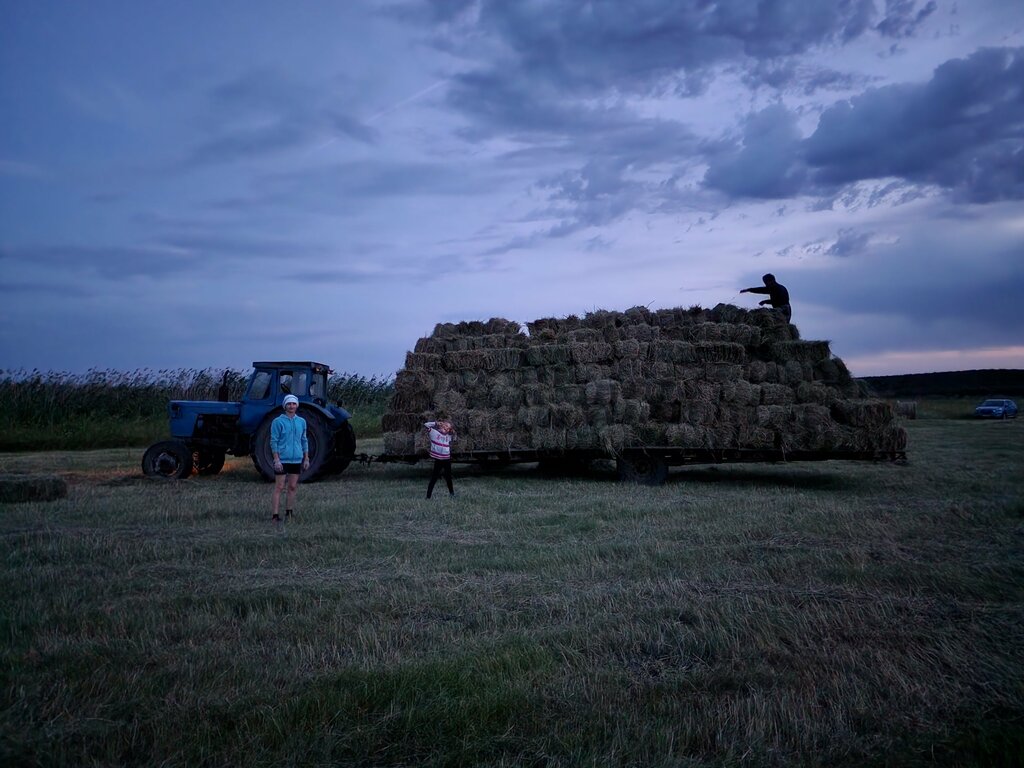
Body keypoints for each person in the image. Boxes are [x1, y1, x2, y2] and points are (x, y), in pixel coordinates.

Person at [270, 394, 309, 530]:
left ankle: (289, 512)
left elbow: (304, 440)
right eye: (289, 404)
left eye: (294, 404)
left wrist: (306, 458)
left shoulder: (301, 422)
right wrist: (276, 459)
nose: (291, 406)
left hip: (296, 458)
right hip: (282, 459)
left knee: (292, 487)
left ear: (297, 406)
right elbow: (273, 441)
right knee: (279, 487)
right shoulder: (277, 422)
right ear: (285, 406)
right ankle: (275, 515)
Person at [424, 419, 457, 499]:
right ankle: (428, 497)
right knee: (434, 478)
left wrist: (452, 430)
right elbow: (426, 425)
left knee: (448, 477)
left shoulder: (448, 437)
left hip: (446, 459)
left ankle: (452, 494)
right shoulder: (434, 433)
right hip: (438, 460)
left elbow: (455, 437)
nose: (446, 428)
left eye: (448, 428)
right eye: (445, 426)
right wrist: (436, 423)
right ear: (441, 425)